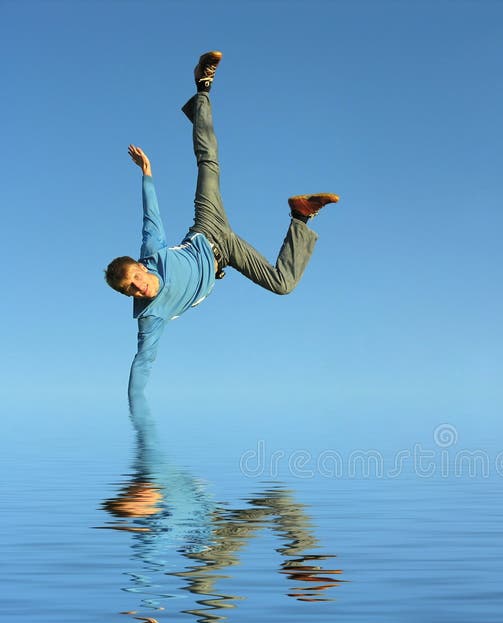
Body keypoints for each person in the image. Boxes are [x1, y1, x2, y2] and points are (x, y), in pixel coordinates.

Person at [104, 51, 338, 398]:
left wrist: (147, 173)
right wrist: (134, 407)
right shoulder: (149, 319)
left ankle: (202, 90)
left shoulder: (152, 255)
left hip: (207, 227)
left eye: (136, 280)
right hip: (225, 255)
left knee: (208, 162)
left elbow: (149, 217)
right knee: (283, 284)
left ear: (139, 267)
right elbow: (143, 361)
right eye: (131, 292)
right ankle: (300, 215)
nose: (140, 289)